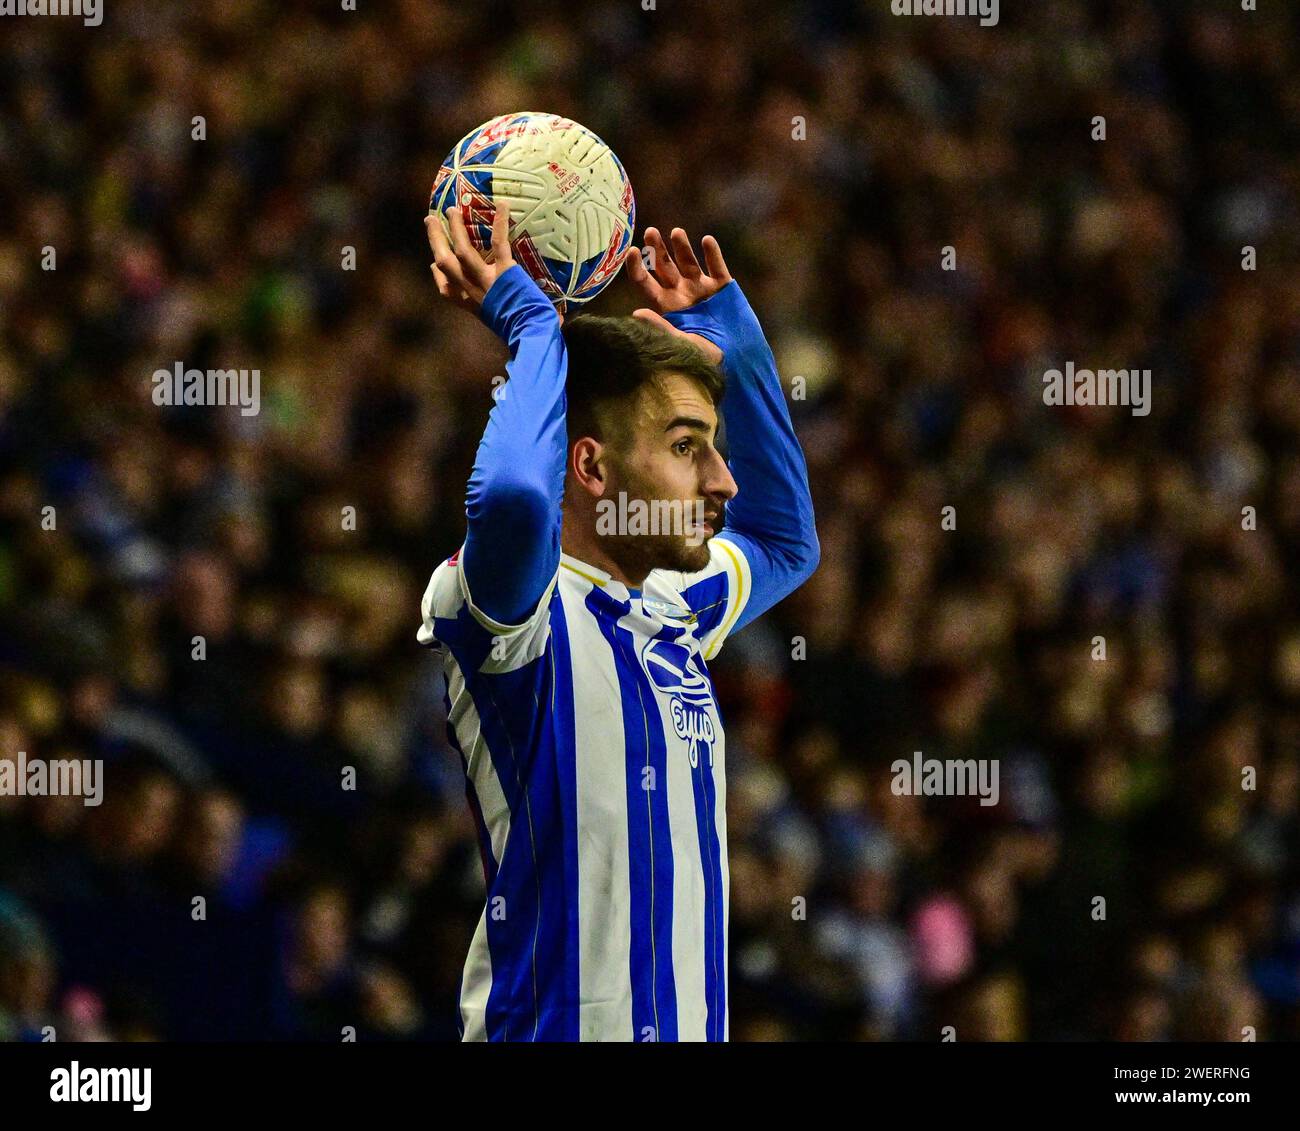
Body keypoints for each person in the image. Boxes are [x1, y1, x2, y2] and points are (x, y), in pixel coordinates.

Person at [418, 205, 818, 1041]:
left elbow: (785, 537)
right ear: (593, 465)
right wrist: (532, 328)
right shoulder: (512, 617)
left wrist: (734, 345)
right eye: (685, 447)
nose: (723, 481)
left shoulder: (676, 607)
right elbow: (518, 498)